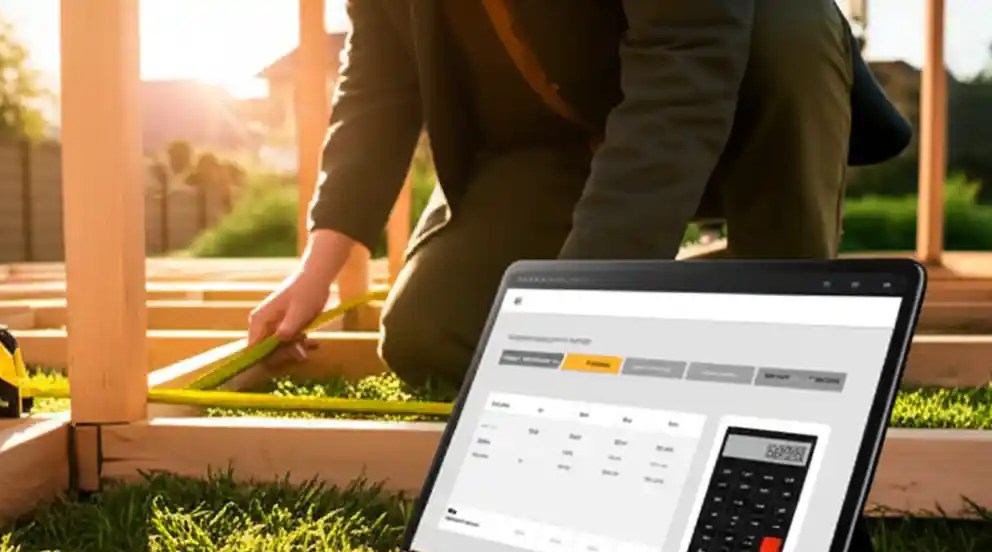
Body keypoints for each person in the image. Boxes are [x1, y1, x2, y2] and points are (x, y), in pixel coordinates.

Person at [247, 0, 910, 390]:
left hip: (718, 98)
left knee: (787, 22)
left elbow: (687, 58)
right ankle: (706, 288)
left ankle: (779, 285)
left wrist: (584, 297)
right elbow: (377, 81)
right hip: (546, 140)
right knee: (430, 333)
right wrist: (319, 264)